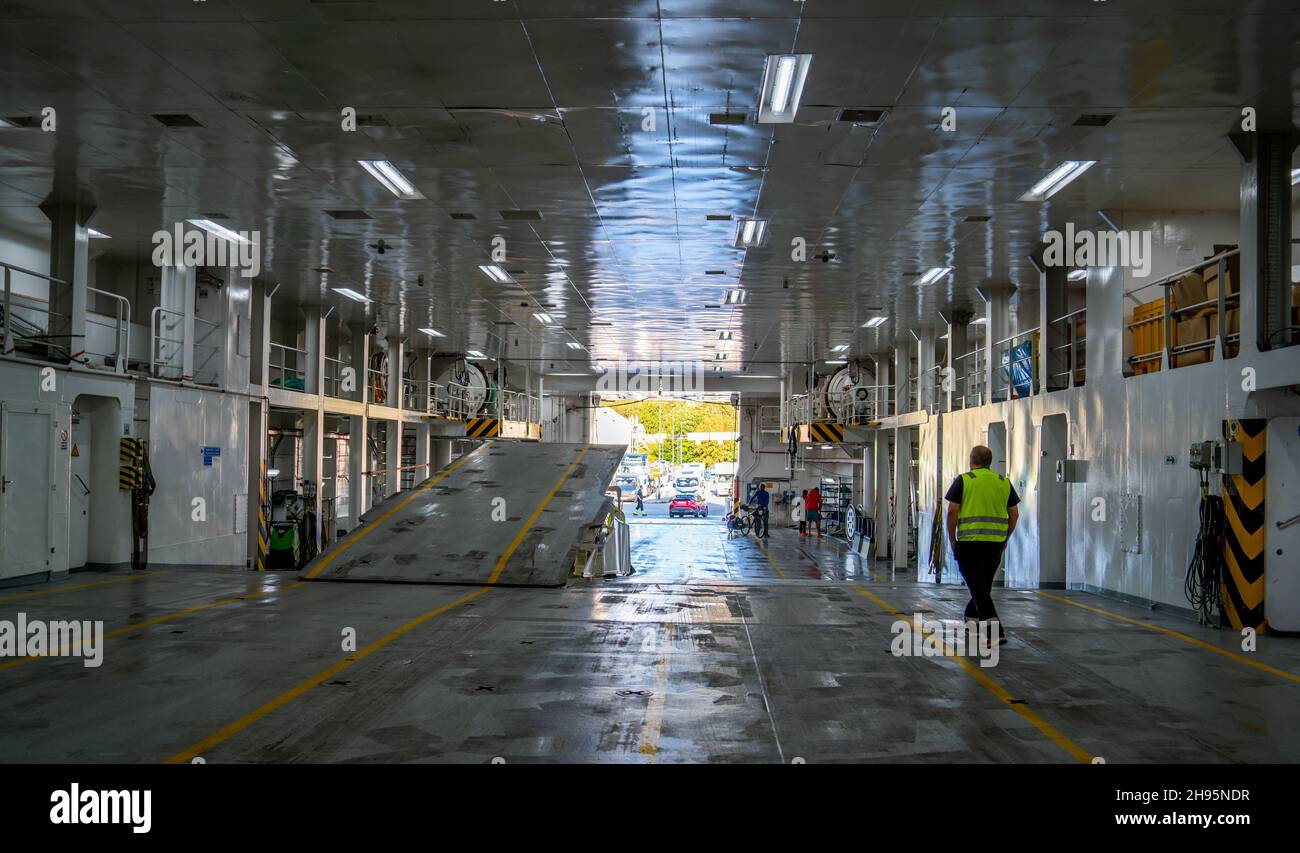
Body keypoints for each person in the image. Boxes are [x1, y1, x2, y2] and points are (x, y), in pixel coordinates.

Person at [945, 445, 1020, 644]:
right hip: (995, 545)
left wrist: (952, 538)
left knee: (978, 587)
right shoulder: (1004, 482)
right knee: (982, 587)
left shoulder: (964, 480)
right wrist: (1005, 537)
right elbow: (1014, 514)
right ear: (990, 461)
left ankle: (995, 632)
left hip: (969, 543)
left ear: (972, 460)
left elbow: (952, 511)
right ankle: (971, 618)